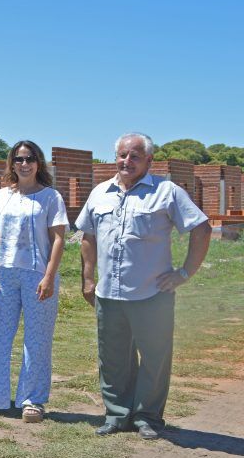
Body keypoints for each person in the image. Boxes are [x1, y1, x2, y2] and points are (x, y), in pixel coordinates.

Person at [77, 132, 211, 439]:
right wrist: (87, 278)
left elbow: (201, 228)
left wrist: (184, 273)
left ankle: (147, 417)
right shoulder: (100, 193)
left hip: (153, 294)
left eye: (135, 156)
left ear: (149, 160)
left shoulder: (167, 192)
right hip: (109, 293)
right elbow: (88, 237)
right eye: (123, 155)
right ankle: (116, 414)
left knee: (154, 357)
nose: (127, 161)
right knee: (112, 357)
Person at [0, 140, 67, 422]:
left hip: (37, 276)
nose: (24, 164)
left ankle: (32, 400)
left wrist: (49, 276)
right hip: (3, 274)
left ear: (39, 163)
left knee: (37, 339)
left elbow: (59, 238)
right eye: (19, 159)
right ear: (11, 163)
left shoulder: (51, 197)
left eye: (30, 159)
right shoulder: (0, 196)